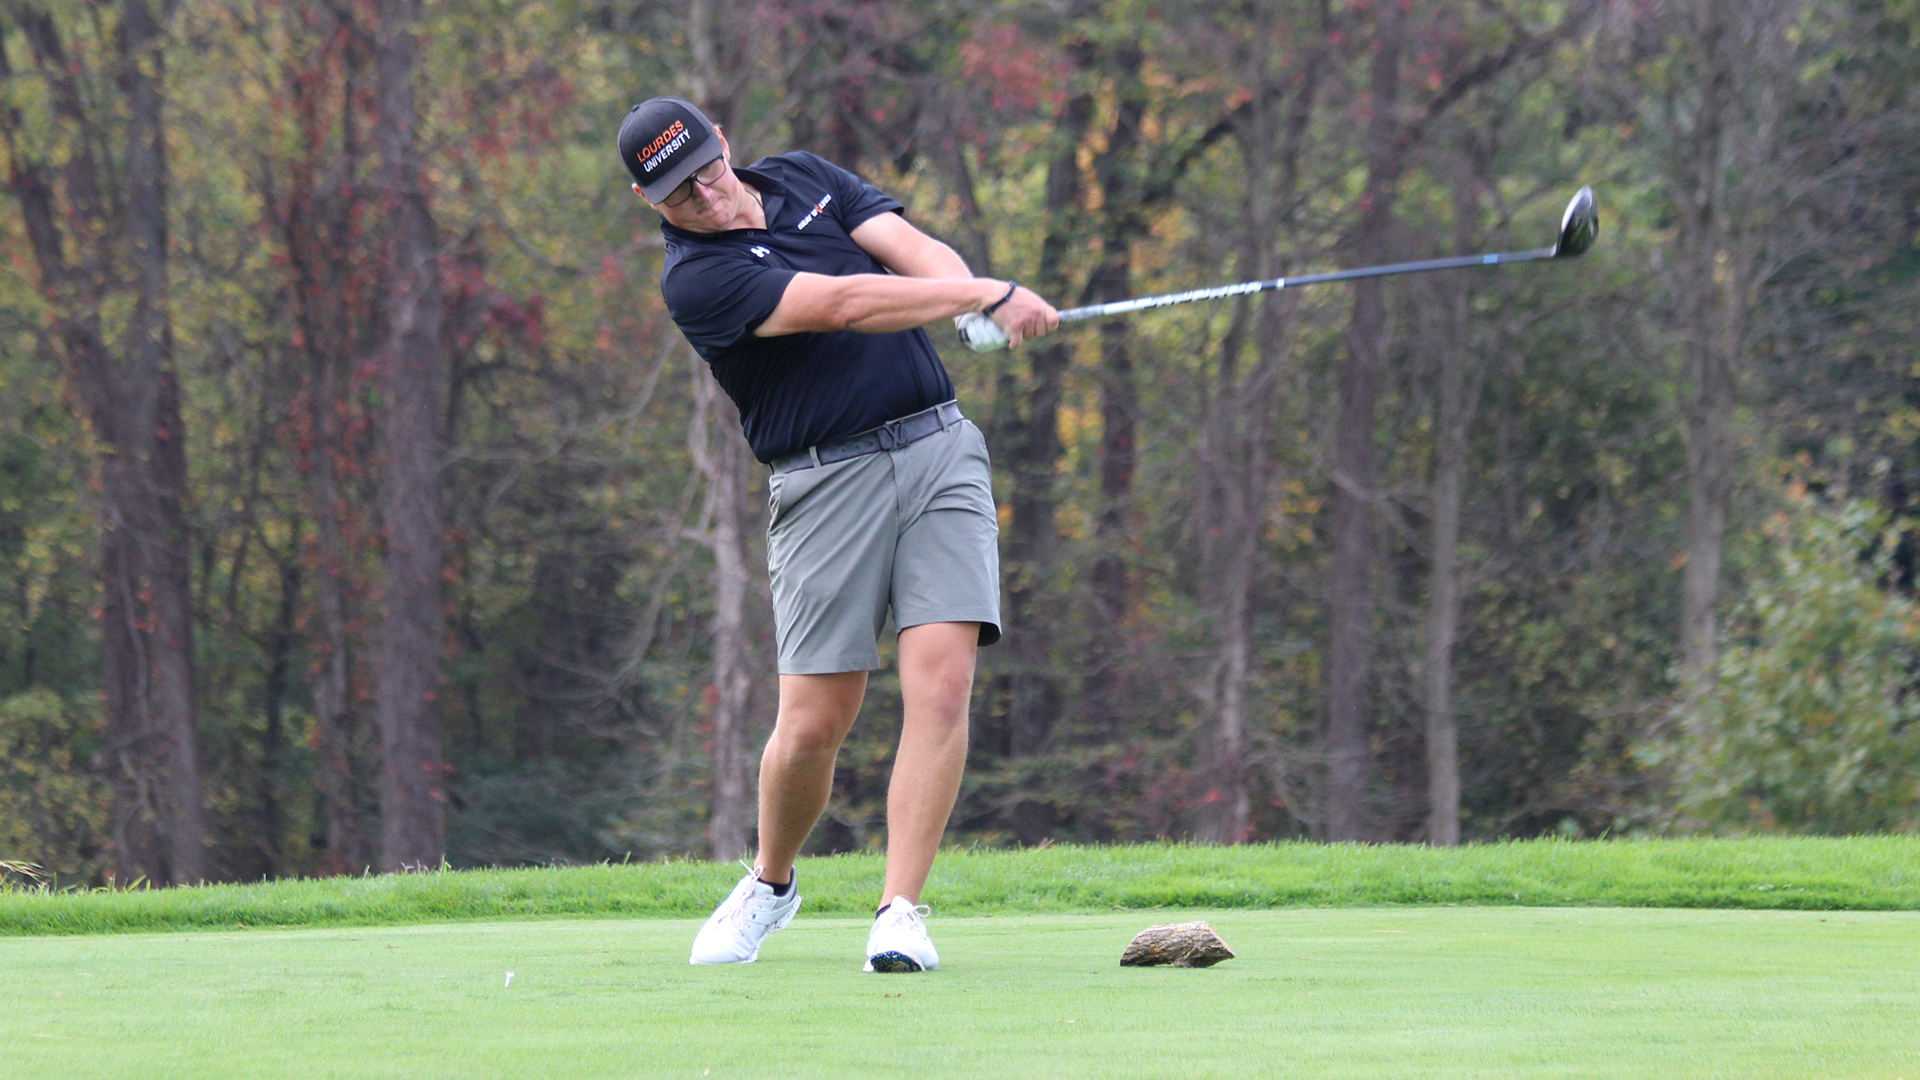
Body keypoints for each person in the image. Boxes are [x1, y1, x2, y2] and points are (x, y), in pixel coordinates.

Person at [618, 97, 1058, 972]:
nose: (704, 198)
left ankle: (900, 911)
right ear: (652, 203)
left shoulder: (805, 177)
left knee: (943, 682)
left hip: (937, 446)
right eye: (678, 194)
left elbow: (909, 250)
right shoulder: (695, 279)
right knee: (816, 723)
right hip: (826, 482)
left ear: (724, 147)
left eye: (706, 172)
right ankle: (771, 883)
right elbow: (847, 302)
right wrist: (982, 294)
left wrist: (964, 288)